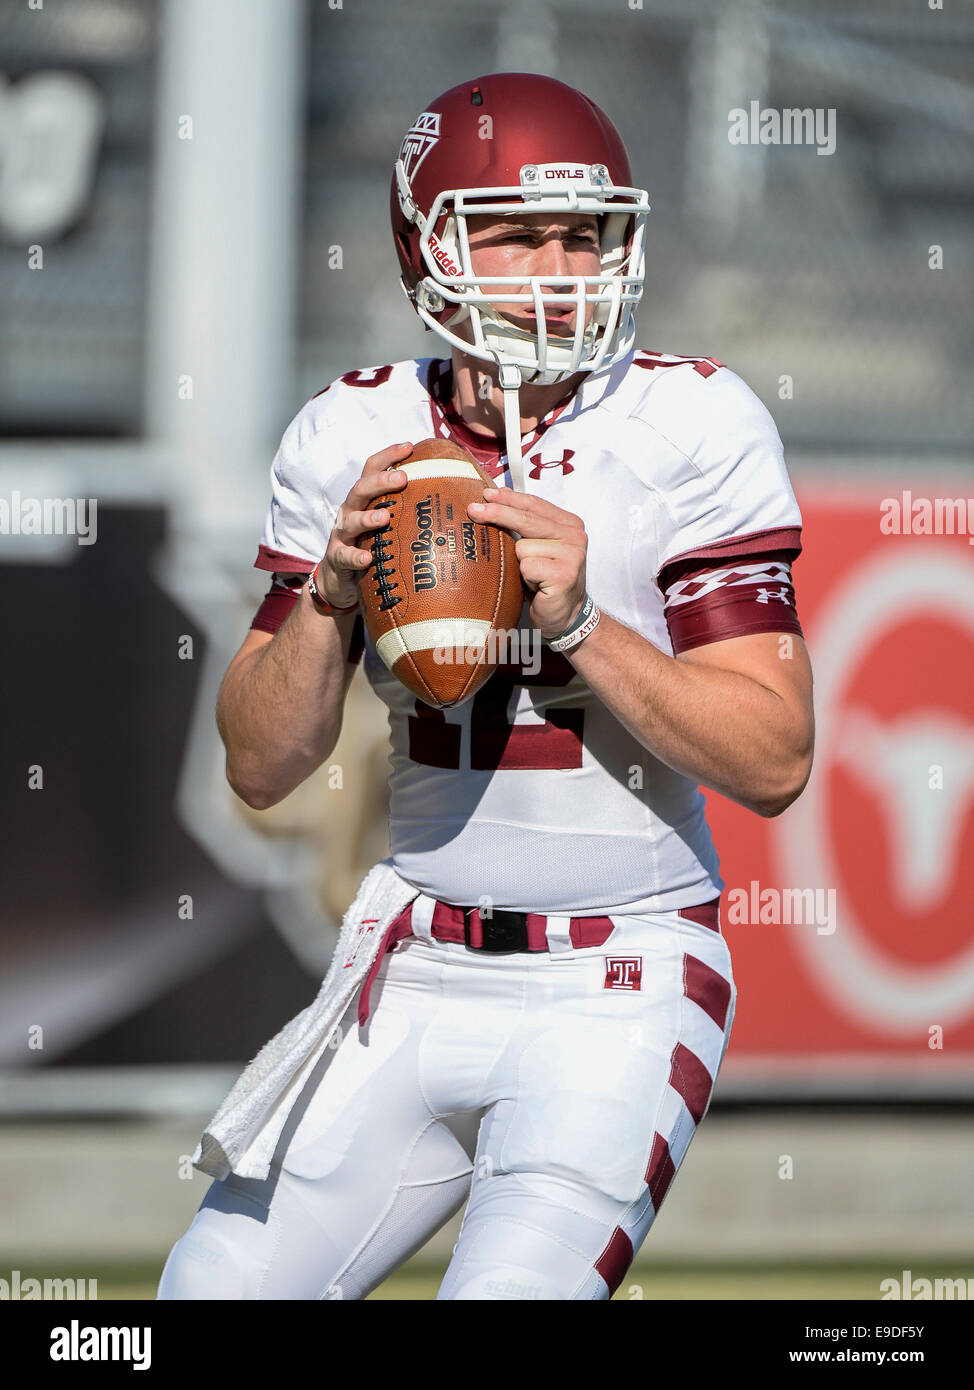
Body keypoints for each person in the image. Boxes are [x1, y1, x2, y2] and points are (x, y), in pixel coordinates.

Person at [158, 71, 813, 1301]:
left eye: (584, 234)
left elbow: (772, 757)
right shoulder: (351, 431)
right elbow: (260, 762)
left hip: (614, 980)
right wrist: (326, 602)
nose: (558, 266)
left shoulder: (691, 422)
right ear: (428, 242)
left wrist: (582, 624)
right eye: (514, 230)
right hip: (408, 962)